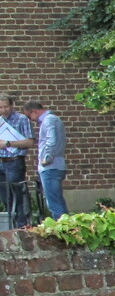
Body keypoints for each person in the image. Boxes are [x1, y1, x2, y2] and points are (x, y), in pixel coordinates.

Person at [22, 100, 66, 220]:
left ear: (34, 111)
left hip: (51, 166)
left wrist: (47, 158)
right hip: (57, 165)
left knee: (54, 203)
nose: (30, 119)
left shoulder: (48, 120)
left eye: (29, 116)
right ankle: (67, 225)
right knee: (57, 200)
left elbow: (51, 140)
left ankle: (62, 227)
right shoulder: (53, 119)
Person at [0, 92, 32, 228]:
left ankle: (21, 225)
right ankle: (10, 225)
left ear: (12, 106)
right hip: (0, 161)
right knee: (4, 196)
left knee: (17, 194)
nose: (3, 110)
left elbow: (29, 142)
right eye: (0, 107)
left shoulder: (21, 119)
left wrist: (8, 143)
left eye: (6, 107)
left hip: (15, 161)